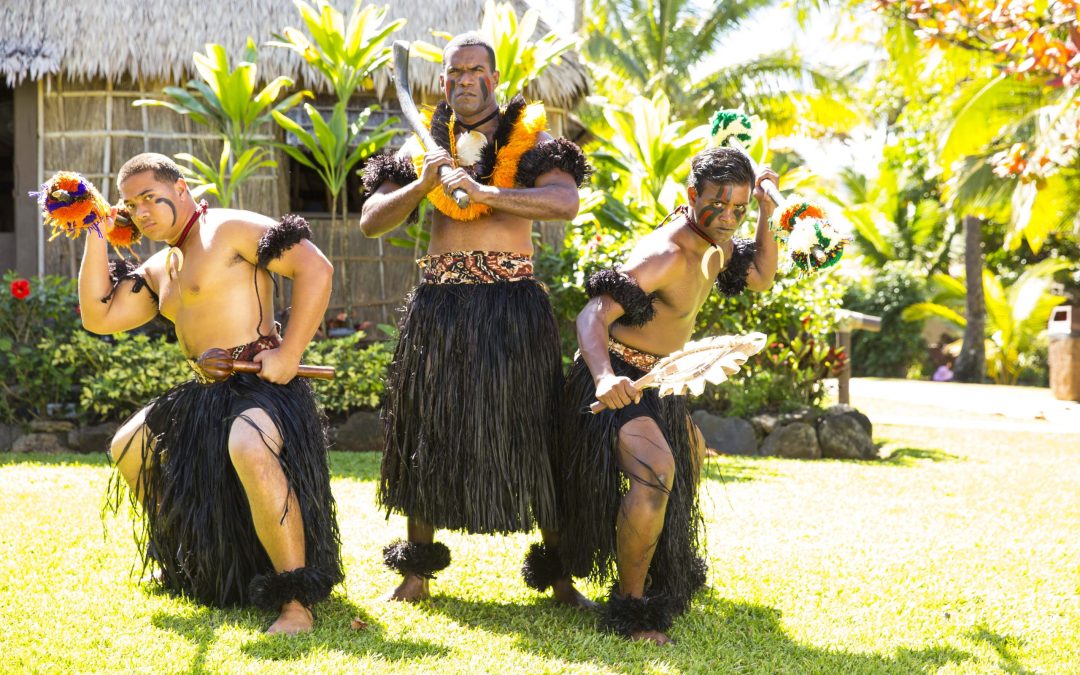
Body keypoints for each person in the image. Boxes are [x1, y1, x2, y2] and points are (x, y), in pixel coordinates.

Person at [359, 32, 591, 605]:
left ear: (494, 79)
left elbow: (565, 205)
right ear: (443, 82)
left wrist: (487, 188)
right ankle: (416, 575)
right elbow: (370, 221)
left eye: (475, 70)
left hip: (512, 307)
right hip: (439, 308)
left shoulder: (535, 144)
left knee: (536, 434)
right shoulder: (421, 146)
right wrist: (424, 183)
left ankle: (559, 579)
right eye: (454, 72)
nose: (464, 80)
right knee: (427, 432)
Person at [81, 153, 343, 634]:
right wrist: (97, 230)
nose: (140, 212)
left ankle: (295, 603)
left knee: (248, 444)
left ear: (180, 188)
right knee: (129, 447)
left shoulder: (230, 228)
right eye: (130, 205)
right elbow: (99, 317)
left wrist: (289, 353)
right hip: (204, 395)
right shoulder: (162, 266)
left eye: (148, 198)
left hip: (260, 386)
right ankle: (190, 562)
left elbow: (316, 269)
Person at [558, 146, 779, 644]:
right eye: (717, 206)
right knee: (657, 471)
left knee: (691, 455)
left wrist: (765, 213)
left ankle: (664, 574)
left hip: (662, 380)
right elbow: (591, 316)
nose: (727, 219)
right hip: (614, 377)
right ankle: (632, 610)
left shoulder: (719, 243)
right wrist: (602, 378)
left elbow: (762, 277)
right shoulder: (665, 254)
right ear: (691, 195)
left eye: (738, 210)